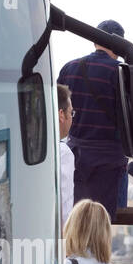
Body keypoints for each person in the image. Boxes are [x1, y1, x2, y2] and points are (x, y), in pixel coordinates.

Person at [57, 20, 128, 220]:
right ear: (119, 44)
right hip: (109, 164)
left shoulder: (68, 69)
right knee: (102, 223)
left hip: (75, 159)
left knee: (76, 220)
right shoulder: (120, 72)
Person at [57, 83, 75, 228]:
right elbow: (65, 209)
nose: (72, 118)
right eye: (71, 113)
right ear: (61, 115)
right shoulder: (62, 153)